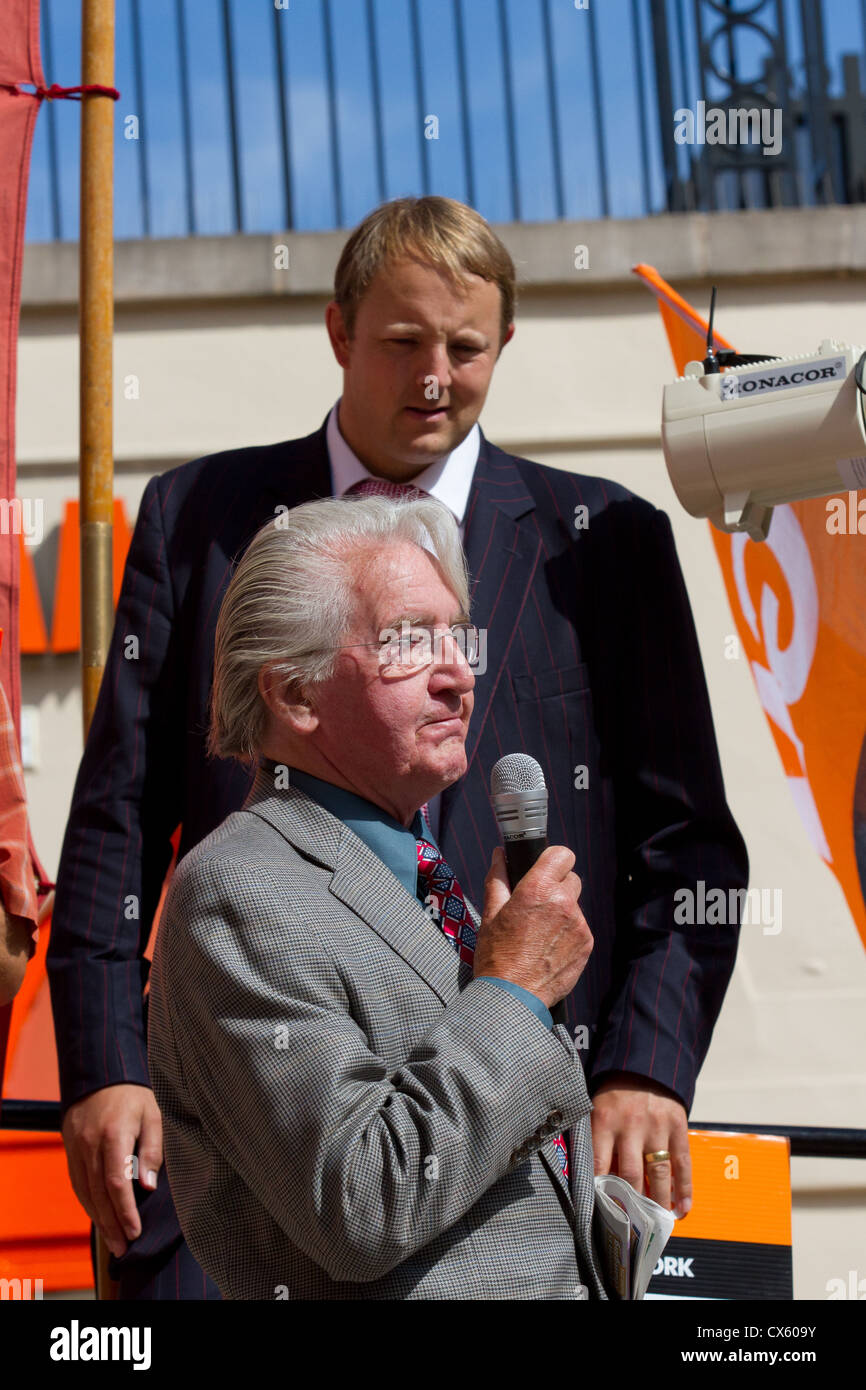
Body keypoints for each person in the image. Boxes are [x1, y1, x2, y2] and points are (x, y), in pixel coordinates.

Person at [47, 195, 748, 1300]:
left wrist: (640, 1066)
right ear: (338, 331)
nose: (435, 376)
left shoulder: (603, 545)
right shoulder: (199, 514)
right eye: (403, 342)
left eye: (465, 347)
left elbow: (688, 844)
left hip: (527, 1173)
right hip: (252, 1158)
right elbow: (116, 820)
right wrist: (103, 1066)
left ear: (503, 344)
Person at [148, 494, 605, 1300]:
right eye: (409, 641)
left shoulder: (418, 868)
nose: (459, 675)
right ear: (296, 696)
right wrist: (512, 992)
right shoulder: (239, 894)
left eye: (456, 638)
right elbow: (361, 1201)